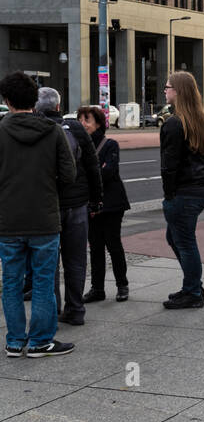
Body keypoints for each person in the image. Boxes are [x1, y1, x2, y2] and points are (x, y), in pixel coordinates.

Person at [0, 71, 77, 356]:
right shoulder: (54, 131)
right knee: (45, 280)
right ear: (35, 100)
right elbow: (69, 175)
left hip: (8, 220)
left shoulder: (0, 131)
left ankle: (15, 340)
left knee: (11, 281)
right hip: (44, 217)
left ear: (6, 101)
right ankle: (41, 340)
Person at [35, 87, 102, 326]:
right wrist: (95, 200)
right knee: (75, 260)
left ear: (36, 108)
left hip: (47, 206)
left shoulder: (35, 129)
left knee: (48, 262)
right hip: (77, 205)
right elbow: (93, 166)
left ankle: (52, 310)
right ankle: (76, 310)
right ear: (57, 107)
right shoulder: (74, 128)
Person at [160, 71, 204, 309]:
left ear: (178, 91)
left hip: (184, 191)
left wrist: (169, 195)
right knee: (175, 237)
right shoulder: (202, 119)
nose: (165, 90)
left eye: (168, 86)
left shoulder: (174, 123)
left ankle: (193, 292)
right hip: (201, 188)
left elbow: (169, 165)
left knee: (184, 241)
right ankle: (193, 285)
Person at [79, 105, 130, 303]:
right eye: (80, 119)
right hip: (91, 204)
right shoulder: (79, 146)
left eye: (87, 120)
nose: (83, 124)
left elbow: (109, 172)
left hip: (112, 204)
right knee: (96, 248)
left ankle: (122, 285)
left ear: (98, 123)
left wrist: (89, 175)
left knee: (114, 245)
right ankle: (97, 289)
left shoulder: (110, 144)